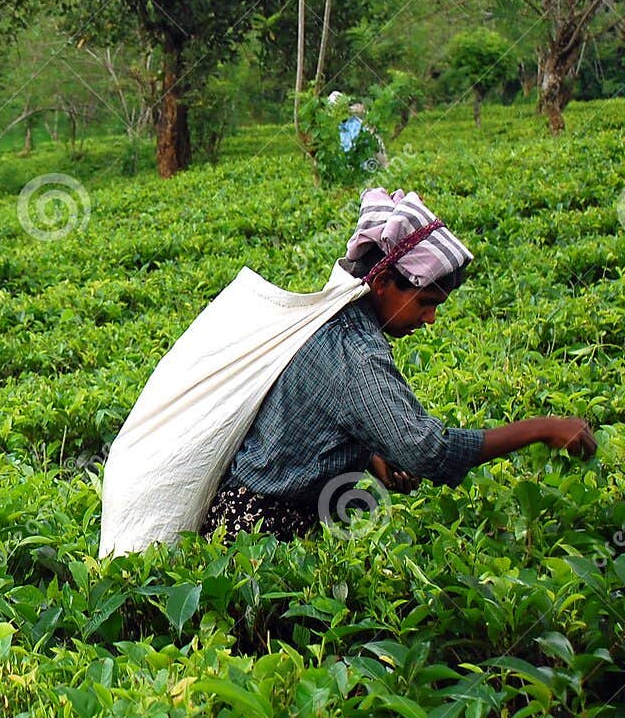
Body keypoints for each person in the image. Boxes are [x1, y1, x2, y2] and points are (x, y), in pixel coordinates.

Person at [203, 187, 597, 540]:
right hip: (257, 532)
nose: (430, 320)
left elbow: (307, 419)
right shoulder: (356, 352)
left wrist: (372, 455)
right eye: (425, 303)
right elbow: (428, 451)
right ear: (383, 282)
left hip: (247, 514)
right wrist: (542, 428)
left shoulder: (330, 318)